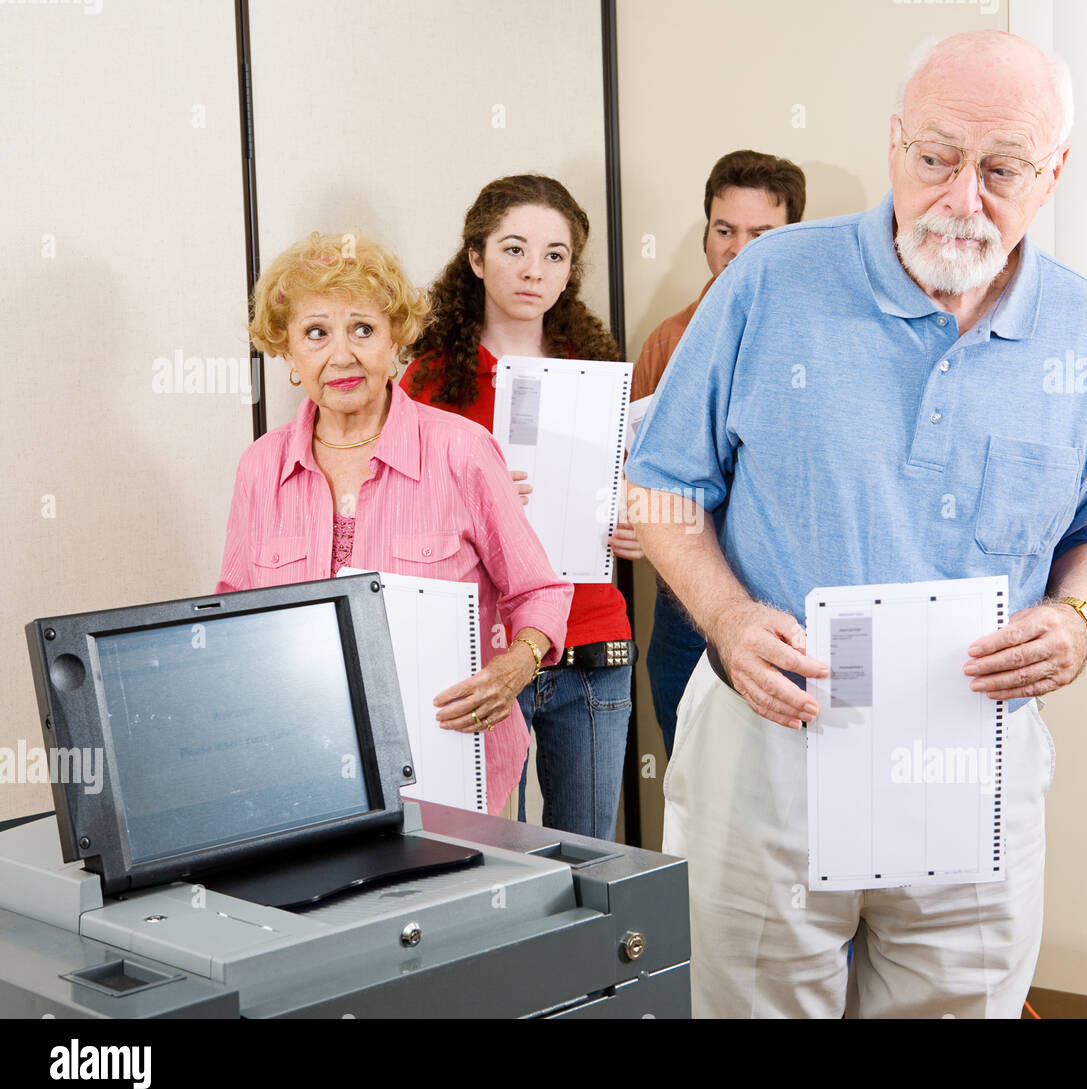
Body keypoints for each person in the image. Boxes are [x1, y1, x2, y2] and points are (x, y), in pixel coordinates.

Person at [625, 29, 1087, 1019]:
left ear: (1055, 171)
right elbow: (660, 487)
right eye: (936, 158)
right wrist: (727, 617)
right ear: (895, 141)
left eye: (1000, 170)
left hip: (971, 753)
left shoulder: (1081, 330)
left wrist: (1081, 620)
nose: (961, 199)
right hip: (771, 742)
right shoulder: (770, 282)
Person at [217, 231, 572, 820]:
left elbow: (539, 591)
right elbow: (234, 617)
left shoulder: (461, 449)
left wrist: (514, 669)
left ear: (396, 339)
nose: (342, 355)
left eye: (363, 329)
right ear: (287, 353)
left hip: (454, 758)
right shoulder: (260, 467)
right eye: (315, 333)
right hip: (310, 762)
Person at [402, 175, 635, 842]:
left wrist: (636, 525)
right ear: (475, 258)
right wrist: (477, 500)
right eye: (514, 249)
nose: (535, 270)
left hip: (591, 637)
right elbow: (404, 521)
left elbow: (632, 485)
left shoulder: (594, 364)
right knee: (486, 859)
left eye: (555, 255)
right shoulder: (427, 380)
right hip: (483, 652)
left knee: (587, 859)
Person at [631, 150, 806, 758]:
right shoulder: (669, 341)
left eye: (761, 234)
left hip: (788, 612)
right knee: (691, 792)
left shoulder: (819, 343)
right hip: (686, 612)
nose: (738, 249)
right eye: (723, 230)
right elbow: (637, 473)